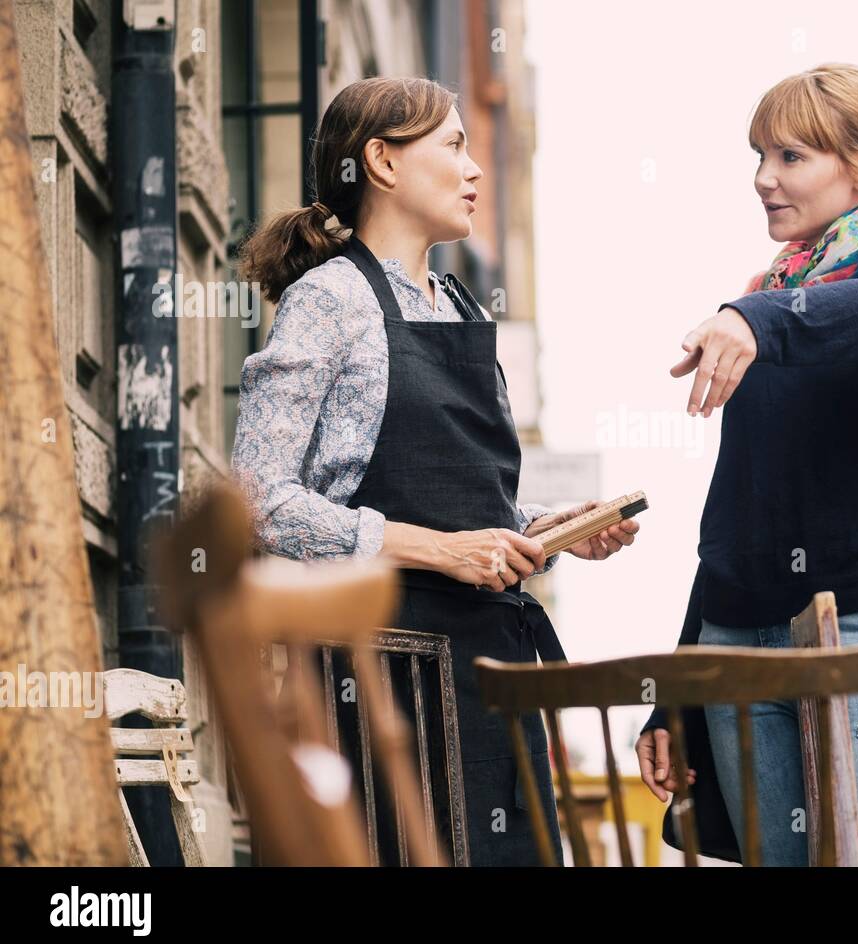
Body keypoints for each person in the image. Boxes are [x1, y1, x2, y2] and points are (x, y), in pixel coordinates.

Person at [232, 76, 638, 866]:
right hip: (379, 675)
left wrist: (542, 534)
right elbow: (259, 498)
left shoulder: (460, 306)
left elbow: (469, 508)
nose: (474, 167)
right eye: (453, 144)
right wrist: (444, 551)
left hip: (490, 670)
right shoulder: (329, 300)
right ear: (381, 162)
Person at [636, 63, 858, 866]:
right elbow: (734, 514)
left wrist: (754, 318)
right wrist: (676, 695)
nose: (763, 179)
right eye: (758, 156)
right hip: (737, 641)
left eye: (790, 157)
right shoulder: (762, 308)